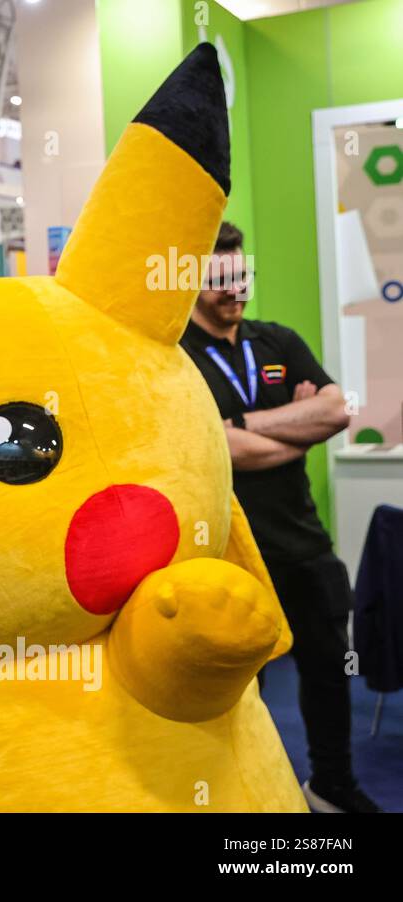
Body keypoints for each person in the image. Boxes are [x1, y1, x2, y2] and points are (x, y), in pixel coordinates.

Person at [180, 221, 379, 813]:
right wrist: (293, 430)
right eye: (221, 280)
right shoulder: (176, 357)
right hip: (228, 550)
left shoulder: (278, 341)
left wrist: (239, 428)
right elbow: (209, 447)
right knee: (245, 688)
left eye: (241, 276)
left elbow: (337, 410)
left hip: (303, 543)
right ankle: (251, 801)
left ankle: (333, 786)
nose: (235, 289)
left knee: (326, 669)